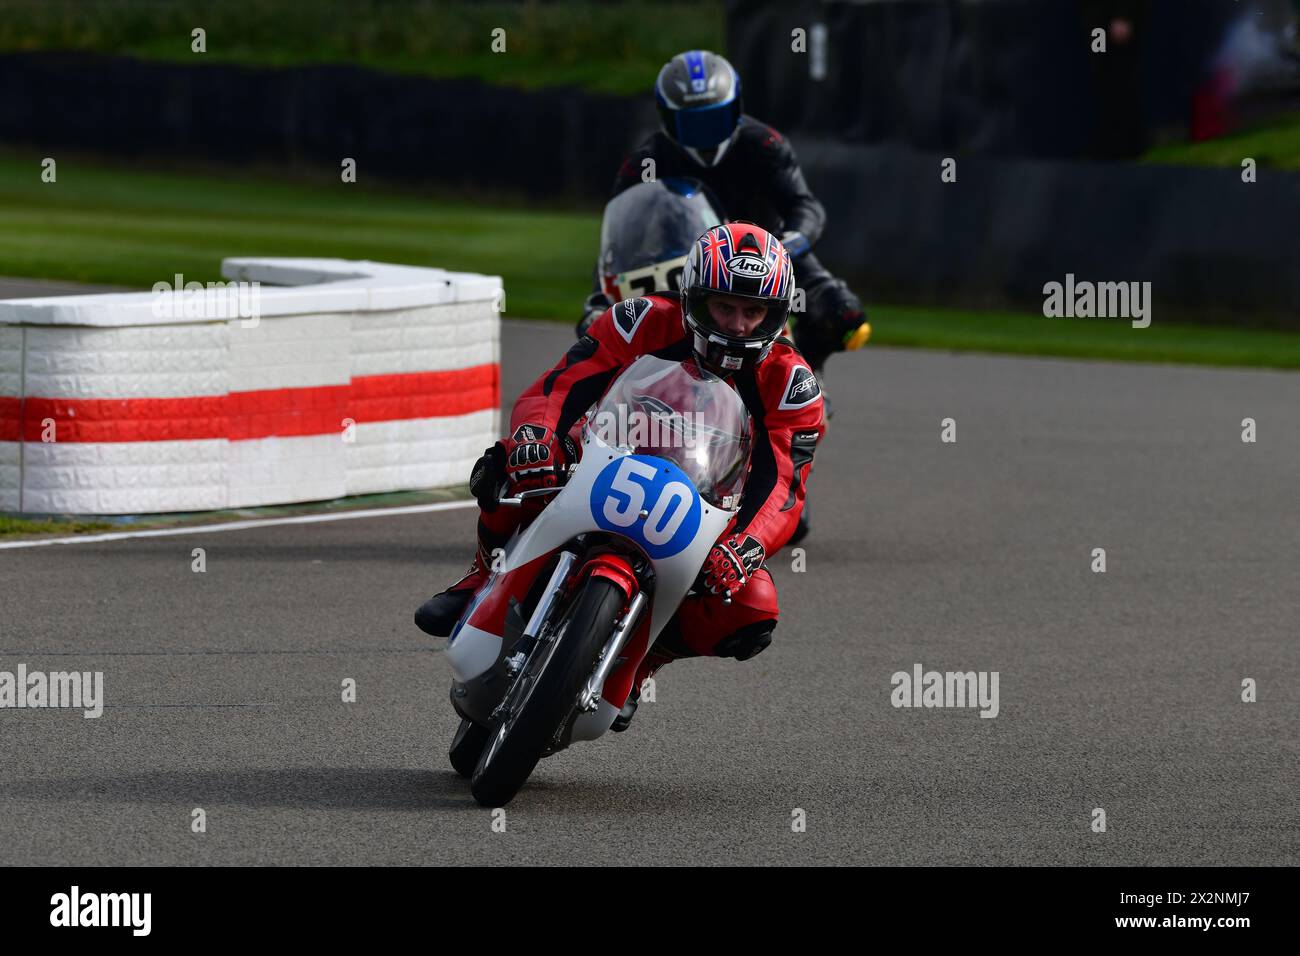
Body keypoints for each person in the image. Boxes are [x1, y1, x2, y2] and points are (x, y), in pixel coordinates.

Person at [416, 223, 825, 730]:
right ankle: (483, 572)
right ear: (693, 297)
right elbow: (562, 385)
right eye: (724, 306)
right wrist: (535, 437)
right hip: (601, 458)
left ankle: (644, 661)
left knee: (753, 606)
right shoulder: (640, 321)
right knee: (506, 464)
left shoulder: (791, 384)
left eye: (753, 311)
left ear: (776, 315)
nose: (738, 325)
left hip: (705, 507)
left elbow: (785, 487)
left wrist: (745, 547)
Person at [582, 49, 869, 377]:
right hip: (690, 262)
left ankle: (803, 372)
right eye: (692, 123)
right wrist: (599, 299)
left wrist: (790, 243)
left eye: (714, 119)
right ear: (667, 118)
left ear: (736, 109)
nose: (705, 135)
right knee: (603, 326)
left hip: (769, 253)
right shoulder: (646, 163)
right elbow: (618, 240)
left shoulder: (764, 145)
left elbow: (806, 206)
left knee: (845, 317)